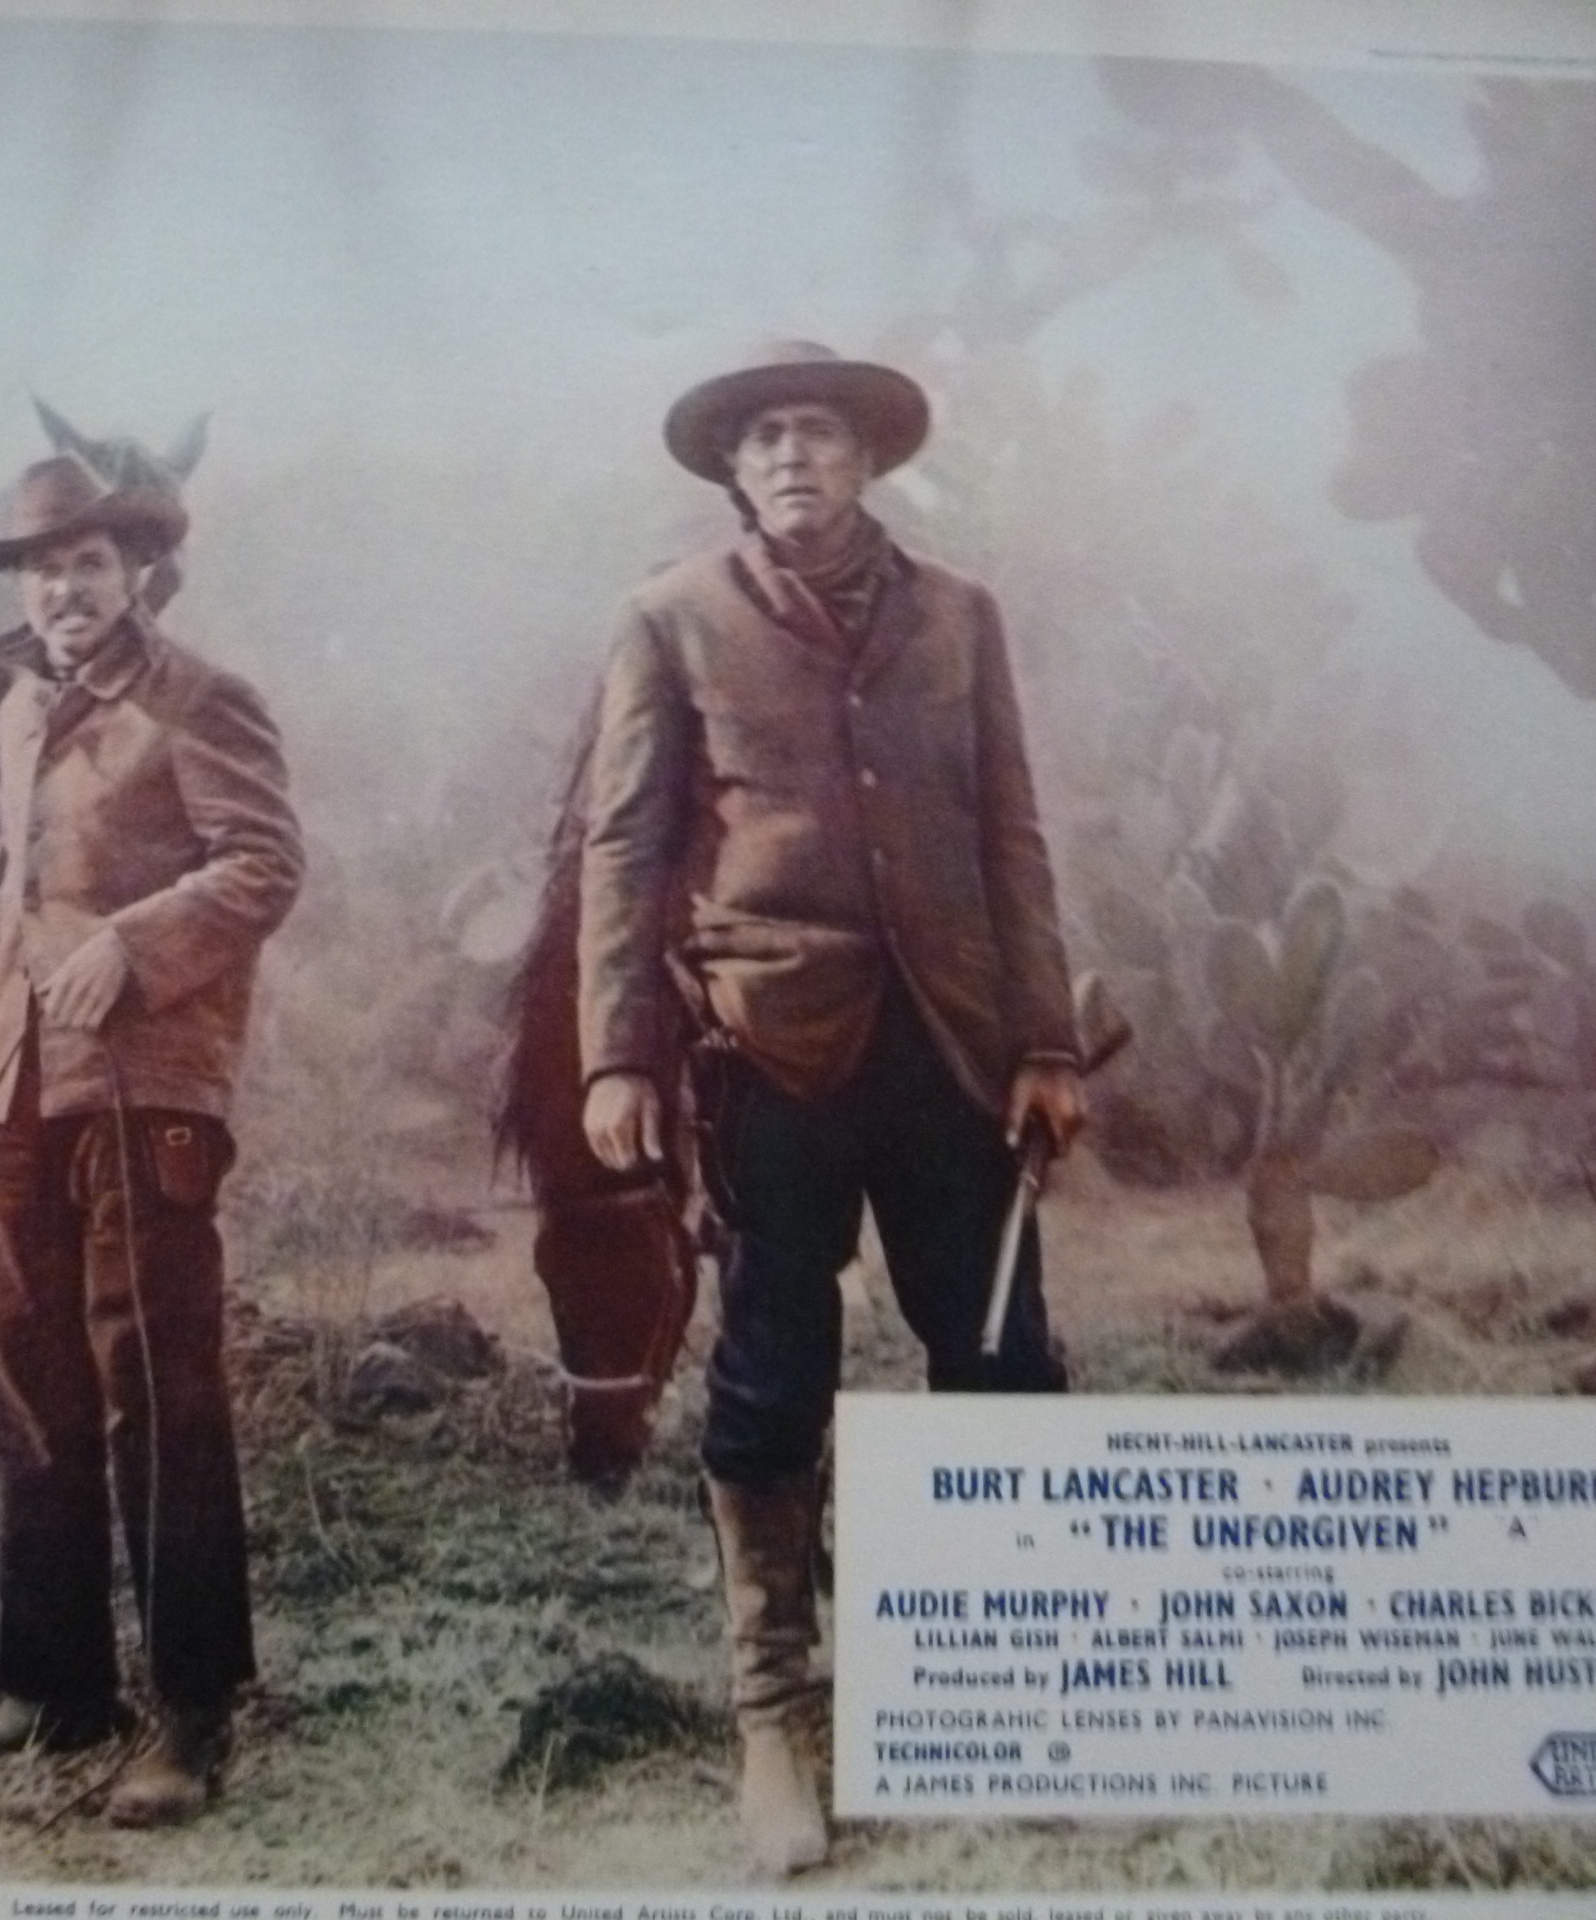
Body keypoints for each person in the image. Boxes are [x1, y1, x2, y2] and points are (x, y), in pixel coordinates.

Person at [576, 341, 1084, 1873]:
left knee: (998, 1357)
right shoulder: (670, 620)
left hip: (954, 1050)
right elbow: (622, 846)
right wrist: (615, 1055)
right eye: (766, 438)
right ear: (734, 470)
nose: (795, 457)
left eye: (822, 434)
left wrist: (1046, 1040)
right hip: (773, 1047)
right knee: (772, 1378)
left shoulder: (961, 618)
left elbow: (1013, 835)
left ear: (869, 459)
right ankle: (777, 1722)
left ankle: (1000, 1699)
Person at [0, 453, 302, 1827]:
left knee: (157, 1394)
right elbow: (9, 899)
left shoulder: (200, 697)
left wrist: (134, 951)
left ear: (136, 570)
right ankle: (56, 1682)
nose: (64, 590)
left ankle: (192, 1715)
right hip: (28, 1083)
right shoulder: (23, 708)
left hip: (150, 1090)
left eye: (87, 563)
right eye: (40, 569)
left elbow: (263, 864)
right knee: (26, 1375)